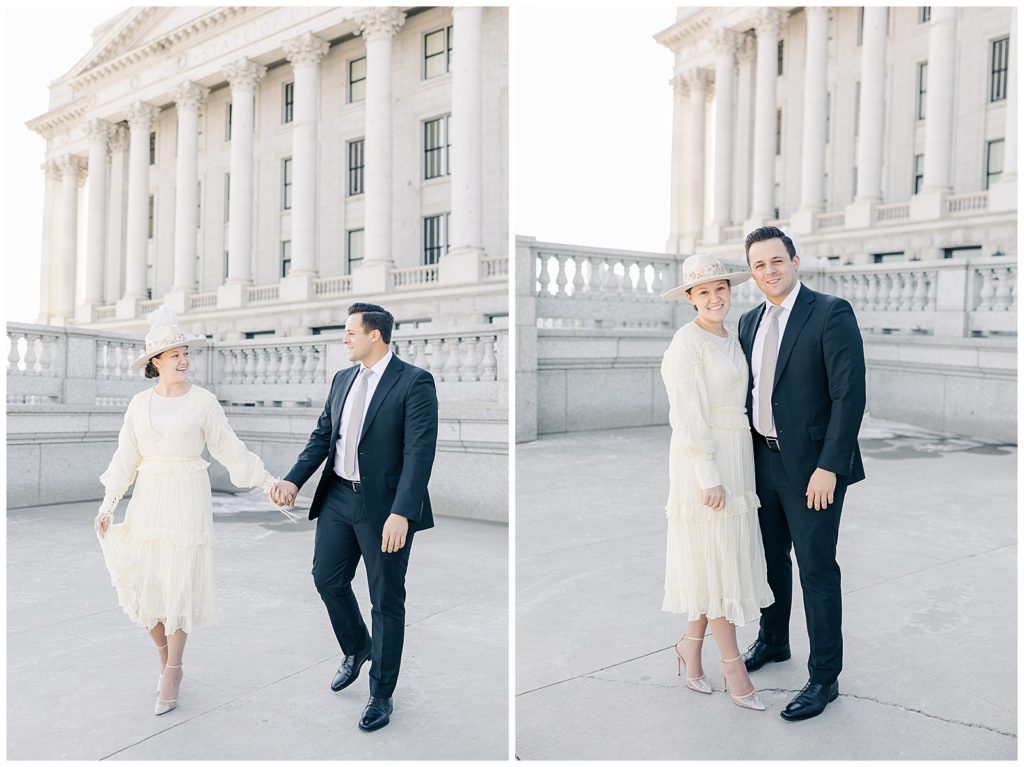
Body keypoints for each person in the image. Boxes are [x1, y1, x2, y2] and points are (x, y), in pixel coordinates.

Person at [94, 321, 283, 716]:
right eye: (175, 354)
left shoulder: (203, 401)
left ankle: (174, 671)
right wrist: (108, 504)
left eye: (186, 353)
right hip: (149, 494)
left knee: (178, 582)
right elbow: (125, 458)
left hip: (186, 494)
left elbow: (231, 450)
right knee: (146, 581)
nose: (184, 360)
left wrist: (268, 483)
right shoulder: (138, 405)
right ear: (156, 362)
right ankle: (164, 661)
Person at [270, 302, 438, 732]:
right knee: (326, 578)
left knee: (385, 599)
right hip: (338, 499)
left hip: (384, 509)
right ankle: (358, 646)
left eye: (349, 332)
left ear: (374, 335)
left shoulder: (414, 382)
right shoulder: (343, 379)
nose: (344, 339)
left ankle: (381, 693)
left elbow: (419, 454)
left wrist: (402, 512)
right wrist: (293, 480)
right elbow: (323, 436)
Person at [737, 225, 866, 722]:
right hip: (761, 462)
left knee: (816, 570)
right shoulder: (749, 322)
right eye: (758, 265)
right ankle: (773, 641)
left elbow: (848, 395)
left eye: (775, 260)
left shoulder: (830, 313)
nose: (768, 271)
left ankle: (824, 678)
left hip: (813, 470)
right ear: (751, 274)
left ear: (794, 260)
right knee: (770, 562)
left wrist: (829, 467)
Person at [660, 254, 775, 712]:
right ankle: (732, 665)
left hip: (737, 453)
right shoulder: (686, 344)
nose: (714, 298)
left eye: (721, 289)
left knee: (717, 557)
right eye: (703, 292)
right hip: (701, 461)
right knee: (720, 558)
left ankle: (690, 645)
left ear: (731, 291)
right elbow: (686, 417)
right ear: (690, 299)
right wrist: (707, 474)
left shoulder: (731, 338)